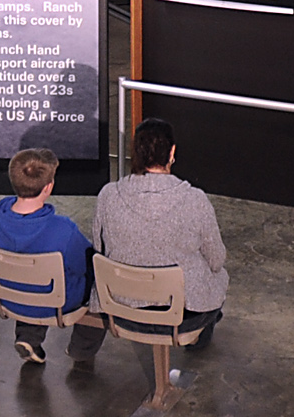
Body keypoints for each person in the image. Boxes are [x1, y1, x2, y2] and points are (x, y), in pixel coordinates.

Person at [93, 118, 227, 355]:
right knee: (218, 277)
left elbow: (99, 250)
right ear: (172, 153)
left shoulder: (108, 195)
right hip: (182, 318)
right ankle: (199, 342)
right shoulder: (195, 200)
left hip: (121, 309)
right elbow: (217, 260)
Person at [0, 147, 106, 365]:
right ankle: (82, 349)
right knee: (98, 276)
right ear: (48, 187)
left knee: (28, 275)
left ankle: (28, 336)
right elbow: (82, 265)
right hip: (55, 302)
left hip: (9, 296)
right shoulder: (63, 230)